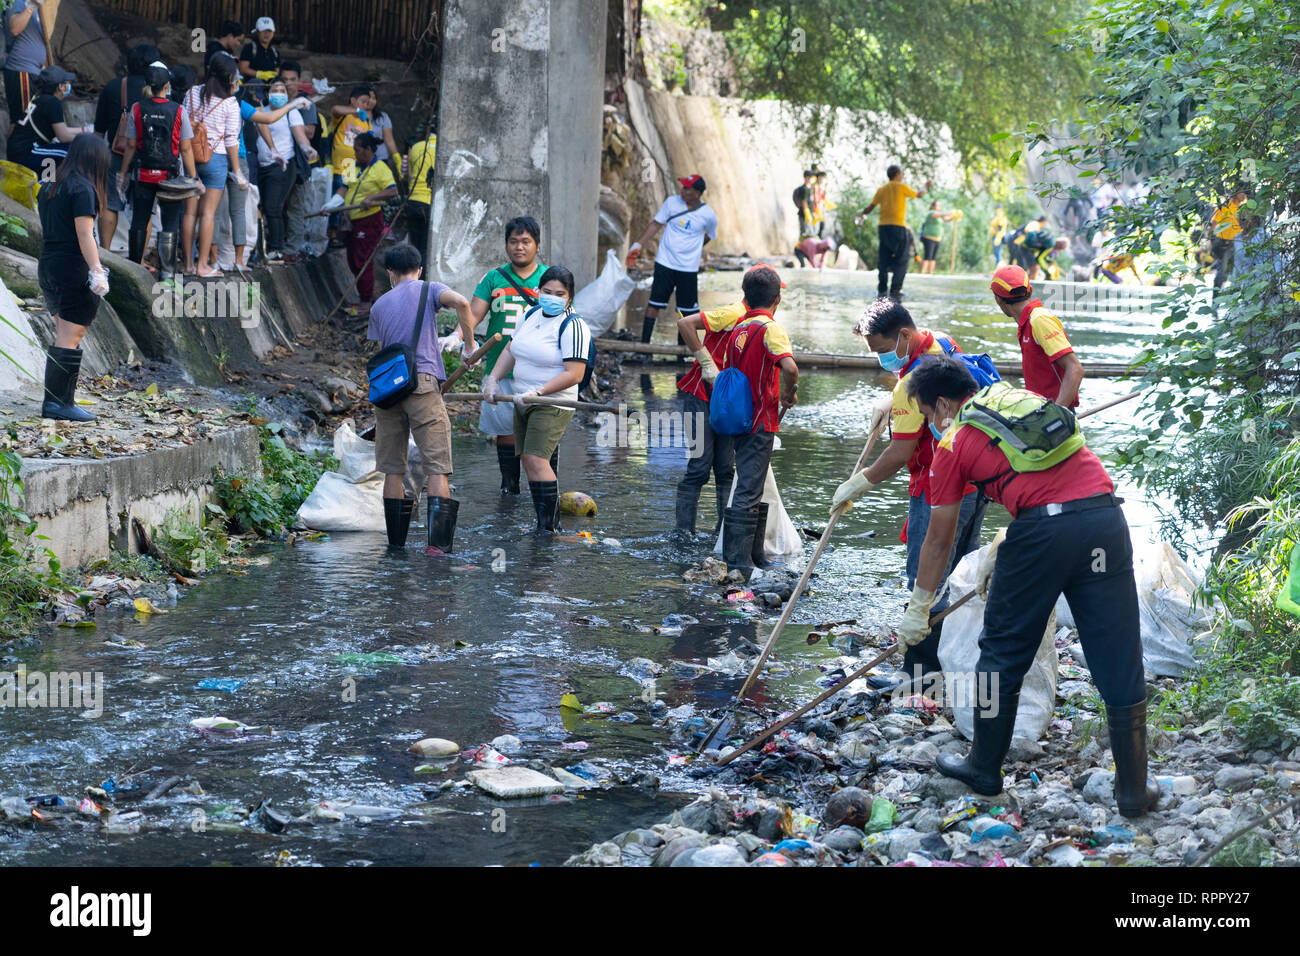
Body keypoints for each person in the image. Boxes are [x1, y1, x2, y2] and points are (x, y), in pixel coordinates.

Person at [902, 357, 1159, 817]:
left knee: (1001, 652)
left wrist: (919, 606)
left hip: (1041, 536)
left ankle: (982, 769)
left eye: (926, 415)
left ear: (942, 404)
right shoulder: (1021, 400)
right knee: (1118, 652)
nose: (930, 425)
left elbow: (938, 539)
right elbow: (1063, 476)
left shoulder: (955, 440)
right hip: (1105, 520)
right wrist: (1009, 532)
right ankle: (1133, 790)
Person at [830, 299, 988, 686]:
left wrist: (858, 483)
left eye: (883, 350)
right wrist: (894, 404)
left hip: (939, 485)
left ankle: (919, 672)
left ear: (903, 335)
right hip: (976, 478)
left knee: (926, 577)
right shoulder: (945, 345)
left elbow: (900, 452)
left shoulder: (908, 385)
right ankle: (959, 659)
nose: (881, 359)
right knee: (961, 573)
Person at [368, 244, 474, 553]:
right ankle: (437, 549)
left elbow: (382, 353)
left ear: (390, 273)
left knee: (393, 469)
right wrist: (468, 347)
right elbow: (462, 303)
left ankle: (396, 545)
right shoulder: (429, 289)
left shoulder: (378, 306)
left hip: (387, 393)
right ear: (420, 270)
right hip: (423, 385)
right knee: (436, 467)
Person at [673, 264, 785, 544]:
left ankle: (722, 534)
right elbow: (685, 323)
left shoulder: (760, 324)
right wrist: (705, 361)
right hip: (701, 395)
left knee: (725, 469)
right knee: (699, 466)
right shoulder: (735, 313)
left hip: (730, 405)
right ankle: (683, 533)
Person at [482, 266, 593, 535]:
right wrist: (494, 378)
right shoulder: (530, 314)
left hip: (553, 403)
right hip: (523, 398)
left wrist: (539, 393)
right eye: (547, 292)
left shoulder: (574, 326)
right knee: (531, 459)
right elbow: (510, 348)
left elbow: (575, 373)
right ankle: (544, 523)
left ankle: (549, 528)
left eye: (559, 294)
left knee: (534, 458)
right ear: (538, 292)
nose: (552, 297)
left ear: (569, 298)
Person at [454, 216, 549, 493]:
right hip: (500, 369)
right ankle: (509, 489)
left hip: (539, 372)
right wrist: (459, 338)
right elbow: (472, 315)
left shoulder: (549, 279)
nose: (519, 247)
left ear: (537, 245)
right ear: (507, 245)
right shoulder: (493, 277)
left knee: (541, 436)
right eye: (514, 242)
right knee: (505, 434)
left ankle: (542, 494)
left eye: (526, 242)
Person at [717, 266, 798, 581]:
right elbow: (789, 368)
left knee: (755, 482)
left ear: (745, 297)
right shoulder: (770, 328)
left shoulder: (740, 327)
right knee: (750, 488)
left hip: (737, 416)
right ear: (777, 299)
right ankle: (738, 564)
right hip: (760, 418)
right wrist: (789, 392)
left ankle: (754, 554)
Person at [36, 134, 111, 422]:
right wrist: (96, 271)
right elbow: (85, 235)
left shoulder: (50, 184)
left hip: (49, 266)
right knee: (71, 336)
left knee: (64, 334)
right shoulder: (82, 188)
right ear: (96, 159)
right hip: (71, 268)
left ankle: (59, 401)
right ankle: (58, 404)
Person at [116, 65, 201, 280]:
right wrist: (193, 177)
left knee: (140, 220)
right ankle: (168, 275)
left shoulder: (137, 108)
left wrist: (123, 173)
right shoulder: (178, 110)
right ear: (167, 86)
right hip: (170, 177)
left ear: (147, 85)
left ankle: (134, 270)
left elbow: (132, 145)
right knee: (170, 222)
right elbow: (185, 148)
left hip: (143, 174)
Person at [626, 174, 717, 343]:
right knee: (654, 304)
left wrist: (695, 248)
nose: (683, 190)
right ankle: (645, 347)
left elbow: (710, 235)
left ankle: (681, 351)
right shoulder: (671, 203)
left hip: (688, 268)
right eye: (683, 187)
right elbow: (656, 224)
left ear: (697, 193)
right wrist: (637, 245)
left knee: (687, 311)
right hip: (664, 262)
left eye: (687, 188)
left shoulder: (708, 215)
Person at [93, 43, 161, 249]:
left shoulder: (113, 87)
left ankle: (105, 255)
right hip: (149, 159)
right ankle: (138, 263)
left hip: (116, 155)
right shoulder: (160, 91)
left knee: (109, 205)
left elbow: (99, 131)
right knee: (144, 211)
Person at [182, 55, 243, 277]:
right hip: (215, 160)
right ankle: (202, 265)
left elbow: (183, 124)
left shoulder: (191, 93)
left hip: (189, 158)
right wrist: (237, 171)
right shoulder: (230, 103)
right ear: (228, 77)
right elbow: (231, 141)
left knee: (189, 214)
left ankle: (187, 265)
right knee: (208, 214)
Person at [989, 264, 1083, 408]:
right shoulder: (1027, 322)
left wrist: (1057, 413)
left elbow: (1075, 368)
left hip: (1055, 415)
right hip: (1040, 411)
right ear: (1030, 291)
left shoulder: (1039, 320)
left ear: (998, 300)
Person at [327, 132, 395, 314]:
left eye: (357, 149)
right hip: (351, 220)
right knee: (352, 260)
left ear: (368, 150)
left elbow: (392, 191)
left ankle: (366, 301)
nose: (355, 153)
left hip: (369, 220)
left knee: (363, 259)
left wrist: (372, 197)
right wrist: (330, 205)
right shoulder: (351, 165)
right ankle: (365, 295)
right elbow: (343, 189)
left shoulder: (381, 168)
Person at [256, 79, 314, 261]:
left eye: (283, 90)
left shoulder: (292, 113)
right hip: (260, 166)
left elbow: (300, 136)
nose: (280, 93)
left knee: (273, 206)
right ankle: (261, 248)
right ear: (267, 94)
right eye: (275, 90)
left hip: (281, 166)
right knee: (263, 207)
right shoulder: (259, 112)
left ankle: (276, 248)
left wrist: (307, 148)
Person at [856, 164, 931, 301]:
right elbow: (919, 194)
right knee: (902, 259)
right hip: (898, 227)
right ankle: (895, 290)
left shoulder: (882, 189)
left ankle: (882, 290)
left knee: (883, 258)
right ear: (897, 175)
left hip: (884, 228)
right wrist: (925, 186)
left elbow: (870, 208)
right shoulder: (901, 187)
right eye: (901, 173)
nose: (902, 176)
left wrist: (860, 213)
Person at [6, 66, 83, 174]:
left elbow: (61, 130)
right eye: (66, 82)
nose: (68, 85)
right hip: (26, 153)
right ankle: (46, 184)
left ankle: (46, 181)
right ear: (60, 87)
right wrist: (84, 139)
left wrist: (84, 130)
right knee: (71, 151)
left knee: (59, 151)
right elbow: (63, 137)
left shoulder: (39, 98)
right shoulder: (53, 103)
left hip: (16, 151)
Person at [328, 85, 373, 246]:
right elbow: (335, 109)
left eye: (367, 103)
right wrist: (354, 110)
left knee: (349, 201)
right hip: (342, 165)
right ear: (353, 100)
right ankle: (332, 234)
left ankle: (345, 233)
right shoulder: (343, 116)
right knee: (338, 198)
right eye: (362, 101)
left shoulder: (365, 121)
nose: (365, 105)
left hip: (355, 167)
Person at [4, 0, 49, 121]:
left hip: (34, 72)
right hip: (22, 69)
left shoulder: (42, 13)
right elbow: (14, 28)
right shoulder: (19, 2)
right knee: (21, 121)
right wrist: (31, 6)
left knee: (25, 122)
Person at [403, 125, 437, 267]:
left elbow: (408, 176)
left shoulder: (416, 147)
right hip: (427, 203)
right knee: (424, 248)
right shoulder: (442, 149)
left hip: (412, 201)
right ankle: (421, 282)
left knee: (415, 245)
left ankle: (412, 278)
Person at [1210, 189, 1246, 289]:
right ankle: (1216, 298)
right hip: (1224, 243)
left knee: (1238, 270)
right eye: (1242, 192)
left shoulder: (1243, 208)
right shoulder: (1224, 207)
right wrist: (1210, 238)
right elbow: (1213, 223)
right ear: (1236, 193)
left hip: (1238, 243)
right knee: (1222, 271)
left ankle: (1235, 295)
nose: (1244, 195)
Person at [237, 16, 280, 98]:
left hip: (270, 86)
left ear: (273, 33)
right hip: (252, 86)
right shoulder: (249, 48)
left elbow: (277, 71)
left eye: (269, 31)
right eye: (263, 31)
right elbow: (242, 69)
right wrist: (258, 74)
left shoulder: (275, 52)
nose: (266, 34)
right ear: (257, 32)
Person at [919, 201, 960, 274]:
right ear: (933, 206)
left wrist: (954, 217)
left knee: (933, 257)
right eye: (938, 205)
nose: (939, 207)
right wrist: (951, 212)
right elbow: (941, 214)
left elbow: (946, 219)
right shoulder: (931, 213)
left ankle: (930, 273)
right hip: (928, 238)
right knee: (928, 256)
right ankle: (922, 273)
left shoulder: (940, 216)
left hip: (937, 238)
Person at [793, 170, 815, 235]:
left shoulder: (809, 188)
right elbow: (804, 201)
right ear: (807, 177)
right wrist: (807, 214)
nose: (812, 179)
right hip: (804, 215)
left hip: (809, 214)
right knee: (804, 234)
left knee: (809, 233)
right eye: (811, 177)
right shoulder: (803, 189)